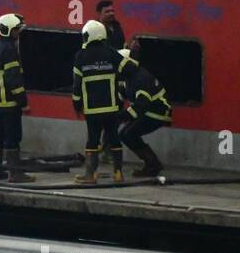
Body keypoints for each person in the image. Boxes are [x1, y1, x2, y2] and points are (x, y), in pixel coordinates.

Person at [71, 19, 136, 184]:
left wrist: (77, 105)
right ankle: (118, 174)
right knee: (114, 138)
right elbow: (130, 68)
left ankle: (90, 175)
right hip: (111, 108)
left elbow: (77, 85)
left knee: (92, 140)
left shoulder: (80, 56)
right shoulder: (110, 53)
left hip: (92, 110)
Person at [0, 12, 34, 183]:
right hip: (10, 103)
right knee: (13, 137)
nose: (18, 32)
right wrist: (23, 102)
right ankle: (15, 173)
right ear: (9, 30)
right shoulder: (10, 51)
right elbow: (13, 79)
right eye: (17, 29)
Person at [117, 48, 172, 177]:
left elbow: (141, 106)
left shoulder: (140, 78)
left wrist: (121, 116)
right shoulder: (128, 78)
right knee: (125, 134)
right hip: (148, 111)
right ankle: (152, 163)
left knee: (128, 134)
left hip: (157, 112)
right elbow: (120, 96)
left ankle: (152, 165)